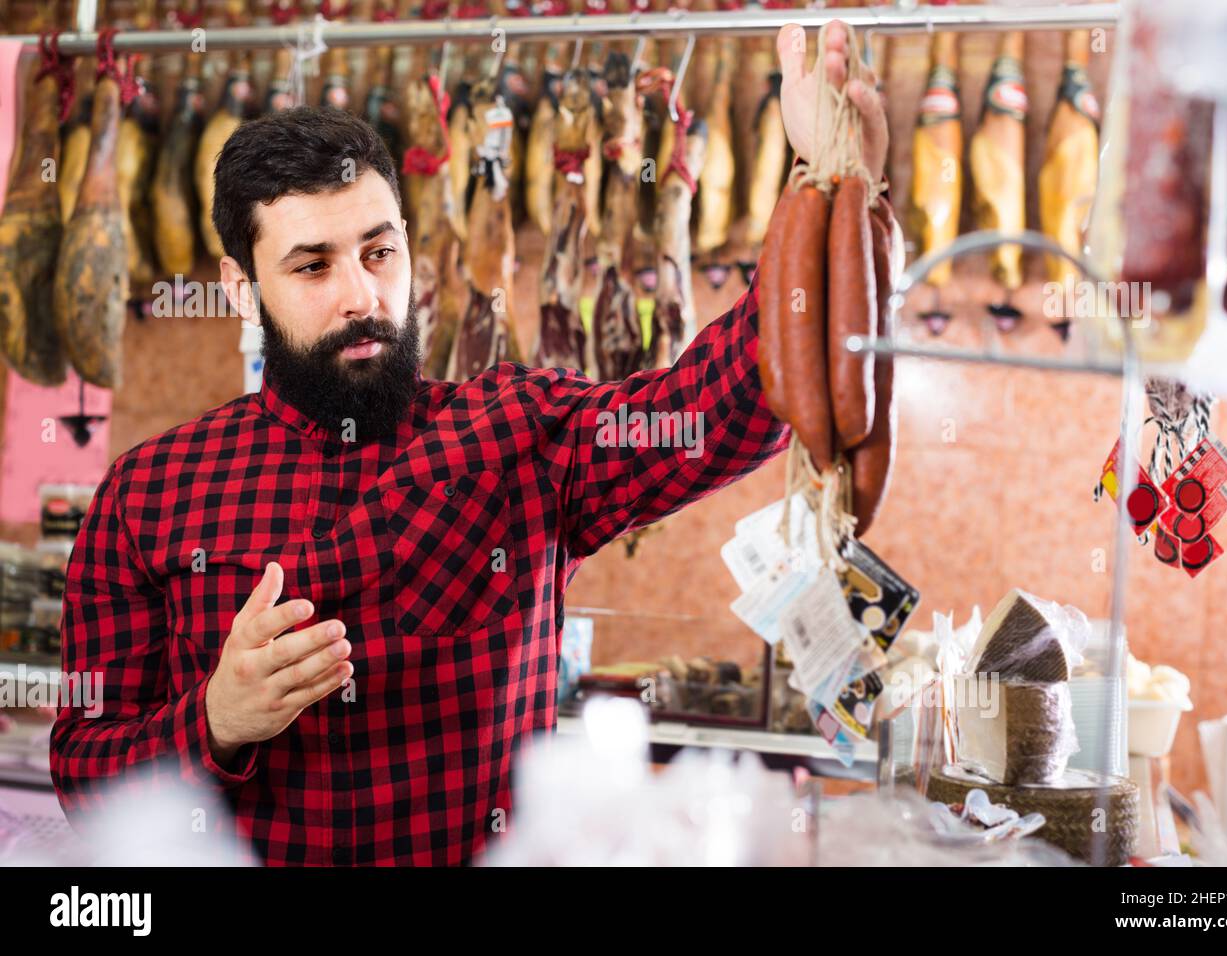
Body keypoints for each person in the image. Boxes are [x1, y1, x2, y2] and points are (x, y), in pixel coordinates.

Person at [50, 20, 887, 865]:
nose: (361, 295)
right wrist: (216, 722)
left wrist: (827, 182)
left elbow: (715, 414)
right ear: (242, 289)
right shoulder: (149, 494)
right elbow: (85, 770)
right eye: (312, 267)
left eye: (380, 251)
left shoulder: (516, 432)